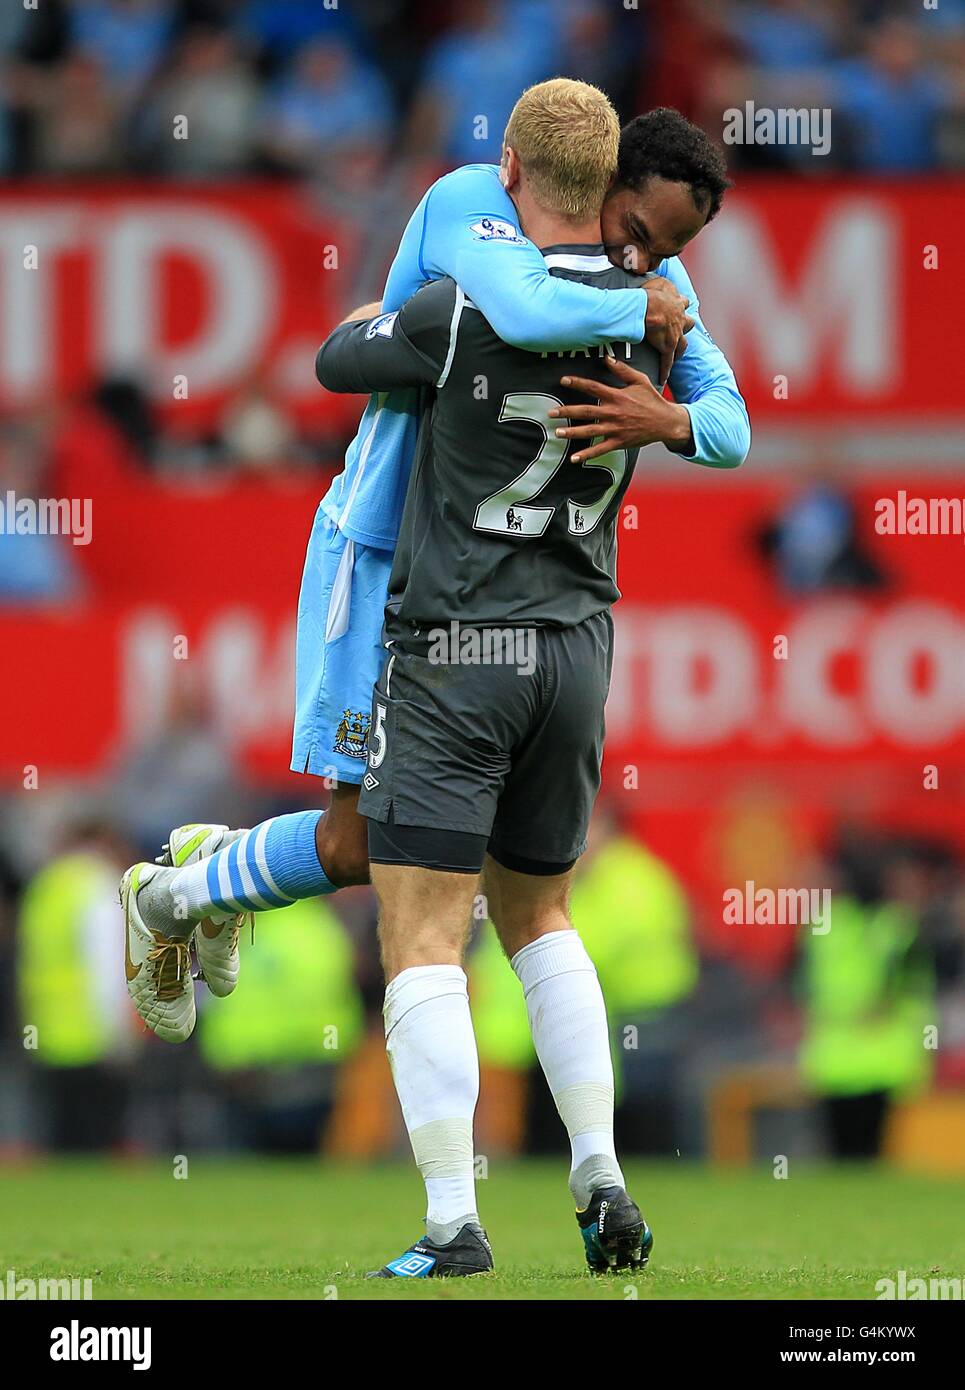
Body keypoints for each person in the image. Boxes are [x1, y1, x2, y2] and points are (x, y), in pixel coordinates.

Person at [120, 85, 747, 1047]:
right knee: (358, 840)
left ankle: (199, 878)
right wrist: (639, 301)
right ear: (593, 184)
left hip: (465, 571)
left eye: (667, 252)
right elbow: (522, 314)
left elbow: (733, 425)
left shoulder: (641, 266)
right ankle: (175, 894)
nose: (647, 260)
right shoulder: (473, 207)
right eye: (637, 233)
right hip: (379, 549)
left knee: (376, 842)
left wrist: (672, 416)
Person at [308, 100, 717, 1276]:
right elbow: (729, 419)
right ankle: (598, 1171)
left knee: (425, 932)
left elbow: (337, 361)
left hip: (457, 647)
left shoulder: (464, 302)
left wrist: (376, 321)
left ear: (510, 171)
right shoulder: (660, 324)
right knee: (544, 918)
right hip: (577, 650)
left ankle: (451, 1220)